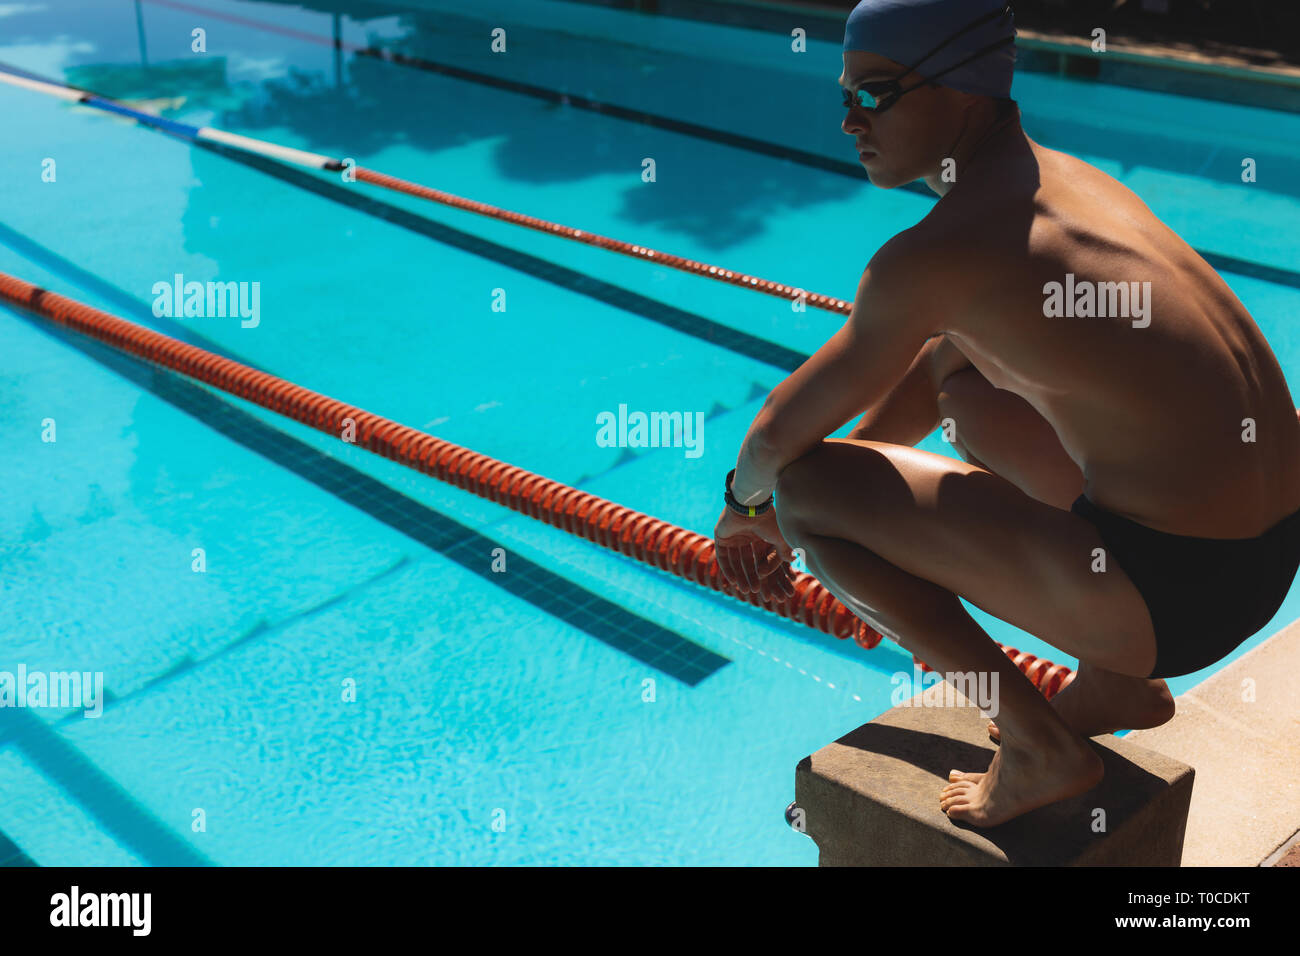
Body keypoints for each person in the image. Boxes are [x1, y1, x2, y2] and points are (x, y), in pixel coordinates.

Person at [712, 0, 1300, 828]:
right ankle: (1117, 683)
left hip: (1177, 596)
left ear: (963, 90)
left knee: (804, 490)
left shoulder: (943, 249)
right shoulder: (1062, 186)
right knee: (967, 400)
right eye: (843, 95)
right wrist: (866, 508)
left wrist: (751, 510)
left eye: (874, 93)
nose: (848, 121)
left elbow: (775, 432)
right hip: (1265, 560)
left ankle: (1040, 748)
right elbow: (930, 373)